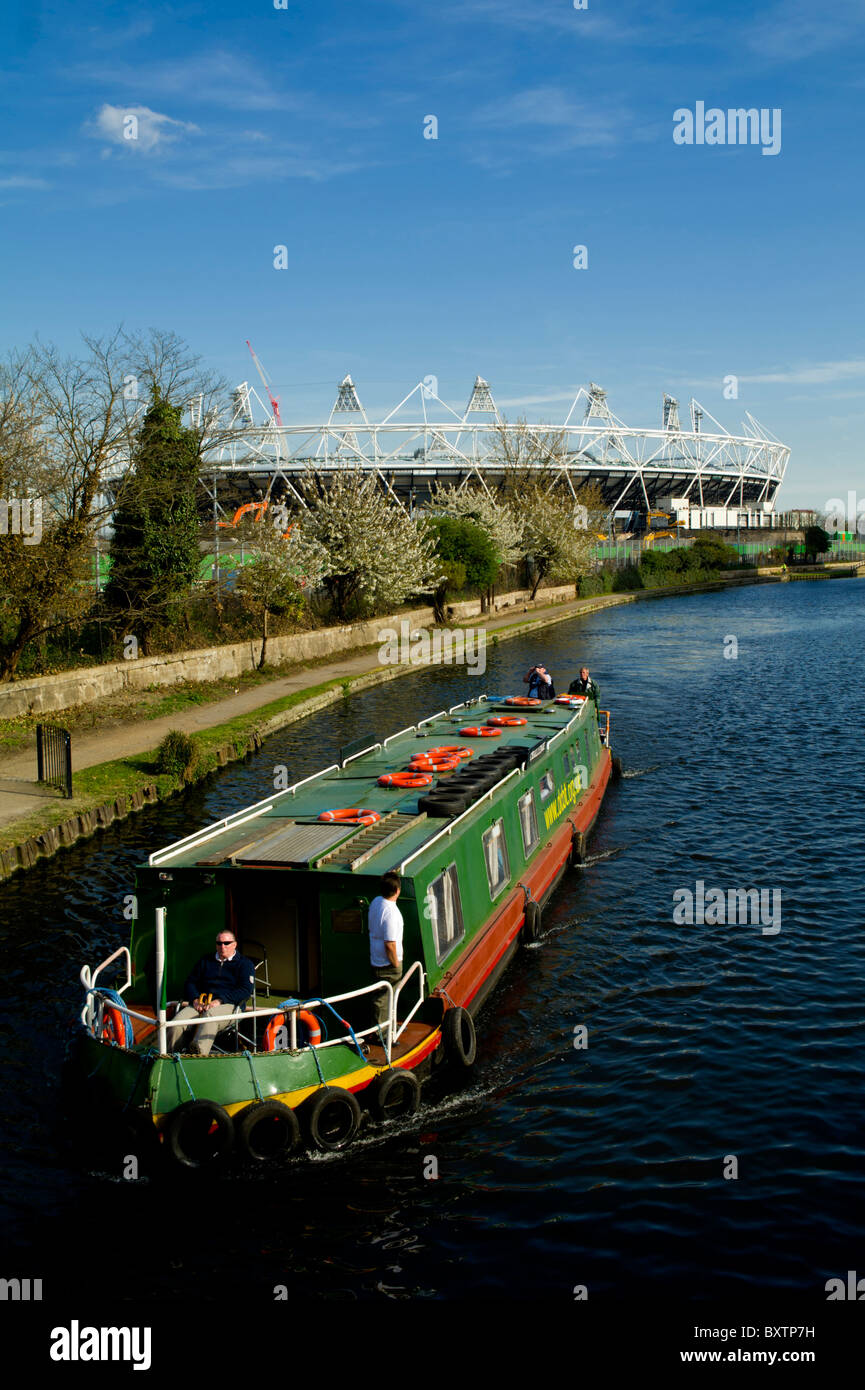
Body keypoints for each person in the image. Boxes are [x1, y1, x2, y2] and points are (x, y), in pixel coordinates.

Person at [168, 932, 255, 1056]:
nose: (222, 946)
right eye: (219, 943)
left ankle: (197, 1056)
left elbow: (245, 990)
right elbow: (190, 982)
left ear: (234, 944)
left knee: (210, 1016)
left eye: (227, 943)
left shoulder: (245, 964)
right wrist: (195, 999)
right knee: (175, 1024)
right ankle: (170, 1057)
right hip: (201, 1003)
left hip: (229, 1005)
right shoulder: (205, 961)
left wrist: (220, 1000)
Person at [368, 871, 403, 1034]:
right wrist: (395, 963)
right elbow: (390, 944)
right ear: (397, 891)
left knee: (384, 997)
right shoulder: (392, 914)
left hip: (375, 958)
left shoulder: (376, 902)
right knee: (384, 998)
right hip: (387, 963)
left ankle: (387, 1028)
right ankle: (382, 1034)